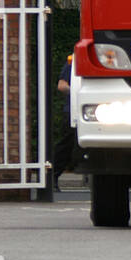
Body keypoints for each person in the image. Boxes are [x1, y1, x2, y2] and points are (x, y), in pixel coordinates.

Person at [53, 54, 79, 191]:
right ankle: (53, 177)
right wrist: (78, 92)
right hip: (73, 109)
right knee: (67, 144)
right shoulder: (74, 60)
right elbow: (62, 85)